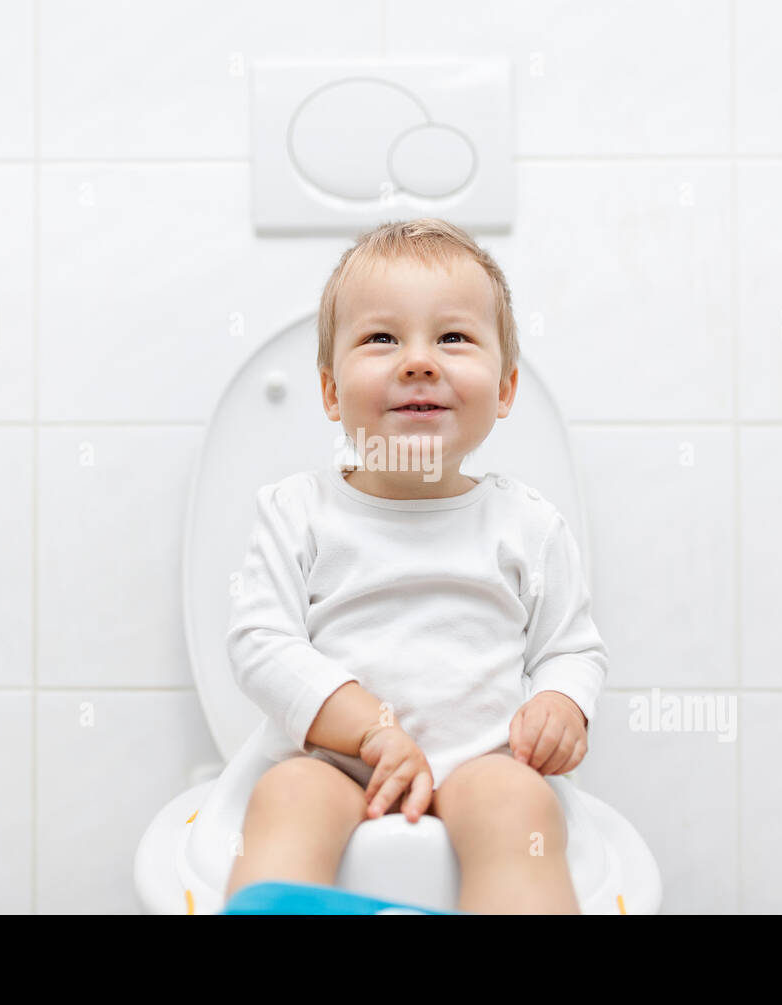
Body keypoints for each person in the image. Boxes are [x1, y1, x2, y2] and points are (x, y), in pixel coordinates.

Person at [223, 218, 609, 914]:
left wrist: (561, 703)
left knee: (521, 806)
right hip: (338, 766)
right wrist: (369, 729)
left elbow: (571, 647)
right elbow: (261, 644)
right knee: (284, 794)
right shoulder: (298, 511)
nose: (418, 361)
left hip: (484, 765)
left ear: (506, 388)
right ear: (332, 391)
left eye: (453, 337)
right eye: (381, 338)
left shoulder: (527, 525)